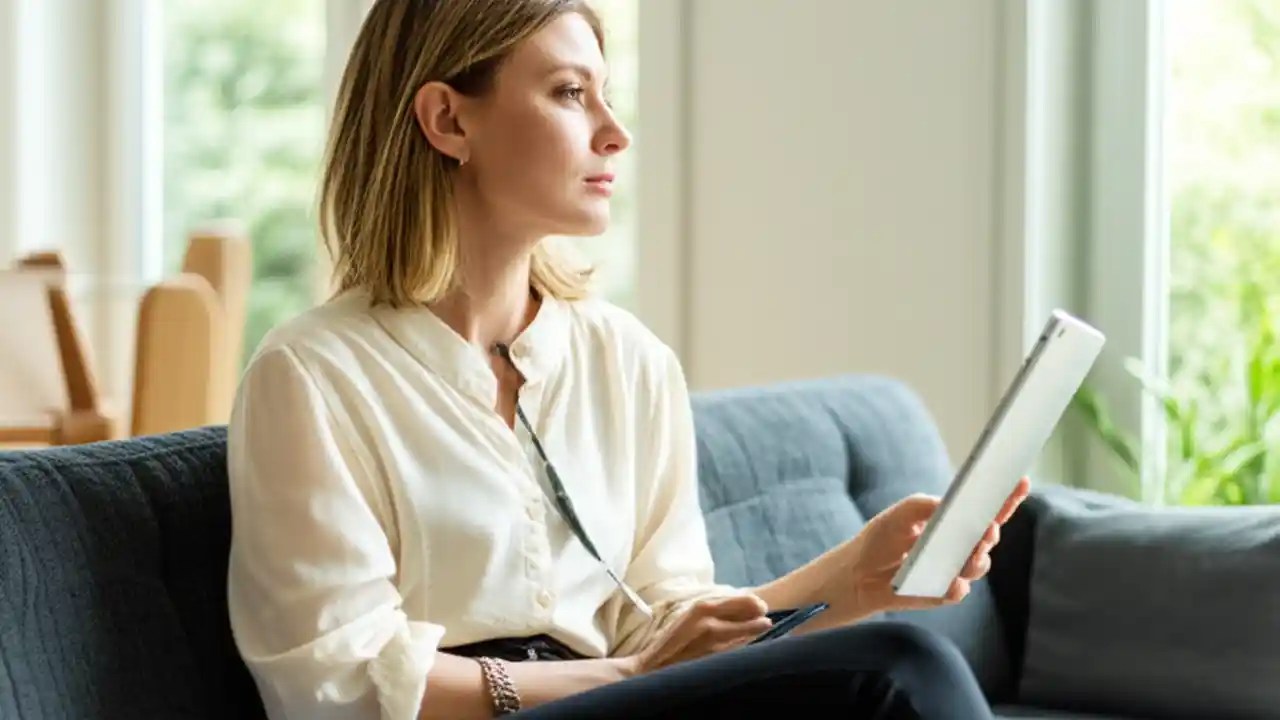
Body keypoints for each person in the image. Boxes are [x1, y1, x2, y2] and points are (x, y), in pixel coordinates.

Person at [224, 1, 1032, 718]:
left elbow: (667, 628)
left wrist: (850, 581)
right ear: (447, 119)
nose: (615, 131)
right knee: (901, 670)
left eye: (604, 94)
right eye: (570, 93)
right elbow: (335, 682)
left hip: (629, 697)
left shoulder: (628, 360)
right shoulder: (313, 375)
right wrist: (631, 675)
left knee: (891, 662)